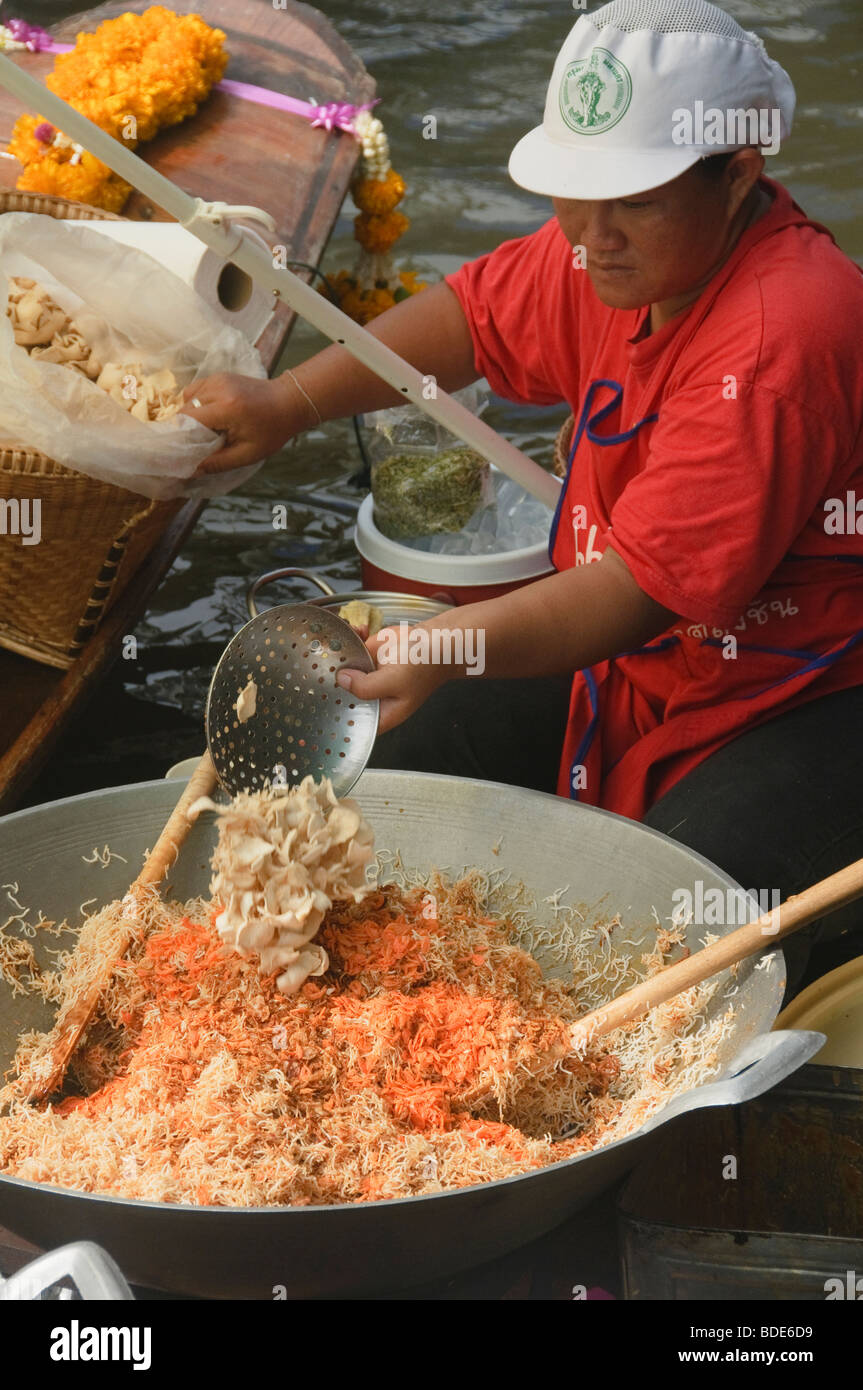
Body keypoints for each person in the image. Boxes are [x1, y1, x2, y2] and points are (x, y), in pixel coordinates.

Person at [183, 0, 863, 995]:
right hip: (649, 667)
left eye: (629, 202)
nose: (589, 239)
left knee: (669, 942)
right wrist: (287, 403)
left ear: (736, 177)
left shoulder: (780, 339)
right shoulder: (612, 248)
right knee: (388, 754)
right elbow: (469, 320)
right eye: (570, 201)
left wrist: (449, 645)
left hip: (795, 693)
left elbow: (637, 588)